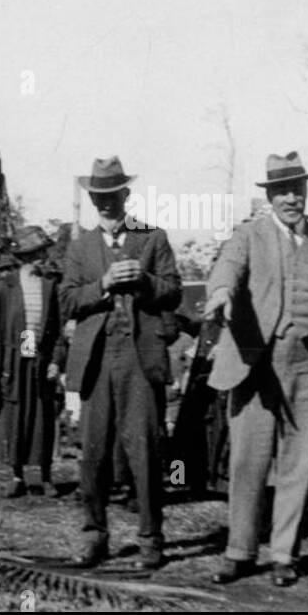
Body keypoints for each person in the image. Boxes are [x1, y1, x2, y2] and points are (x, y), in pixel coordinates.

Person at [203, 152, 308, 587]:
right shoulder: (249, 235)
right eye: (282, 190)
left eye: (297, 189)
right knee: (249, 459)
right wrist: (221, 292)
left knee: (298, 462)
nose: (291, 198)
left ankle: (285, 553)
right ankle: (240, 551)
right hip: (256, 361)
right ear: (269, 196)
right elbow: (227, 267)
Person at [60, 156, 181, 569]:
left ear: (126, 194)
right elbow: (68, 300)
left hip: (140, 357)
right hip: (96, 358)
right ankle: (94, 535)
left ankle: (150, 538)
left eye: (113, 194)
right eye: (99, 196)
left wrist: (145, 282)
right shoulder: (79, 248)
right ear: (92, 198)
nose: (106, 202)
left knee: (144, 449)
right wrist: (103, 285)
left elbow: (174, 292)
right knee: (92, 453)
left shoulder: (152, 238)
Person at [0, 225, 63, 496]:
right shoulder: (6, 286)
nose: (43, 257)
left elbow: (58, 328)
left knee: (43, 415)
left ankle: (46, 475)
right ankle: (16, 476)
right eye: (38, 253)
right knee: (15, 415)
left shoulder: (51, 284)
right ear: (25, 256)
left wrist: (56, 360)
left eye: (43, 251)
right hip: (14, 359)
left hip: (41, 357)